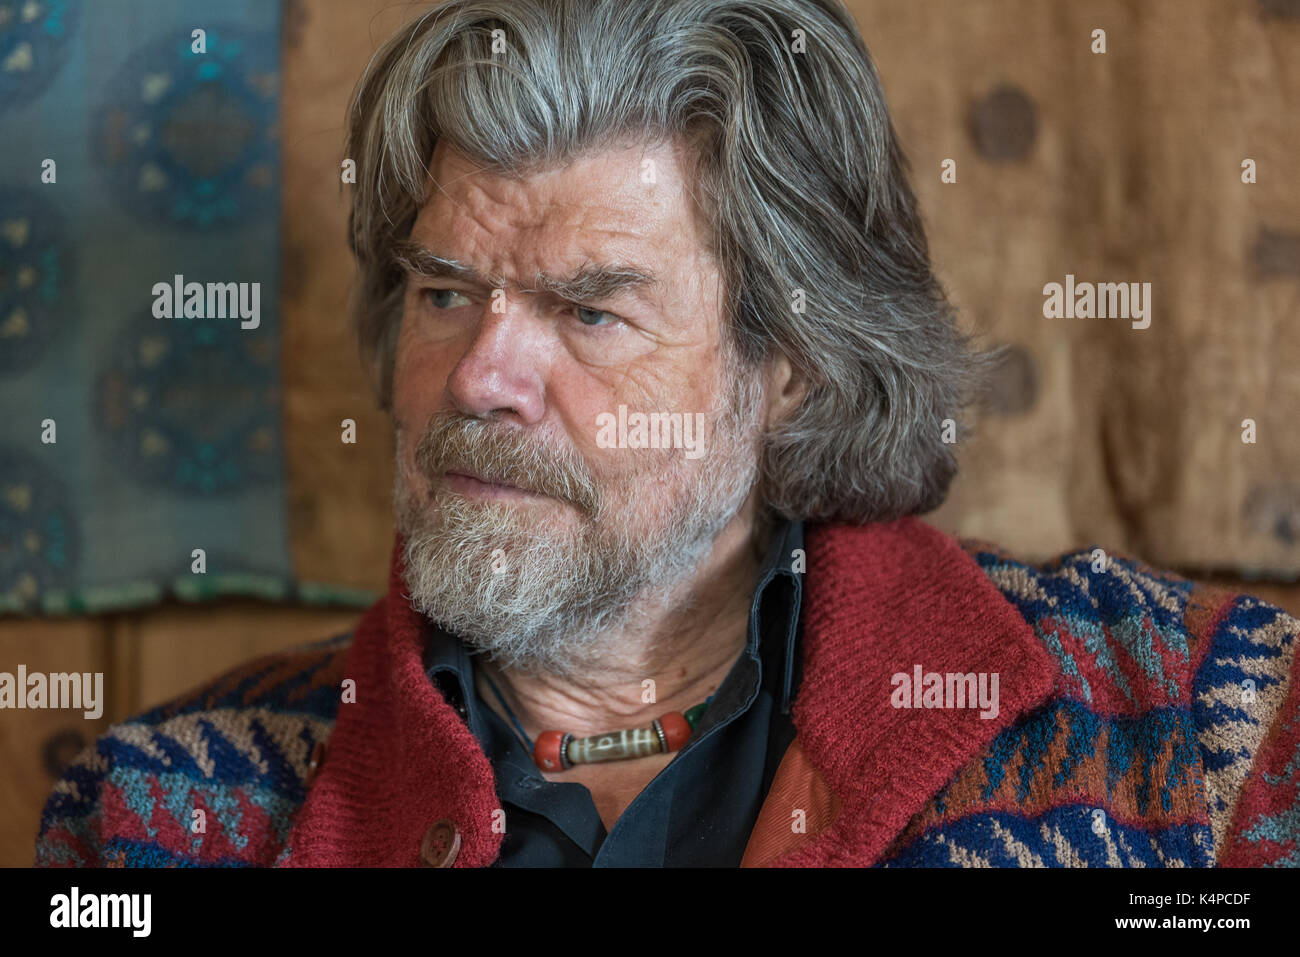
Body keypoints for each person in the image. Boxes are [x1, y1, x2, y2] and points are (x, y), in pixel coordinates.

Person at [37, 0, 1299, 867]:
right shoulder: (166, 813)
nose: (480, 375)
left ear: (791, 367)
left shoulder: (1195, 720)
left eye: (589, 311)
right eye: (443, 293)